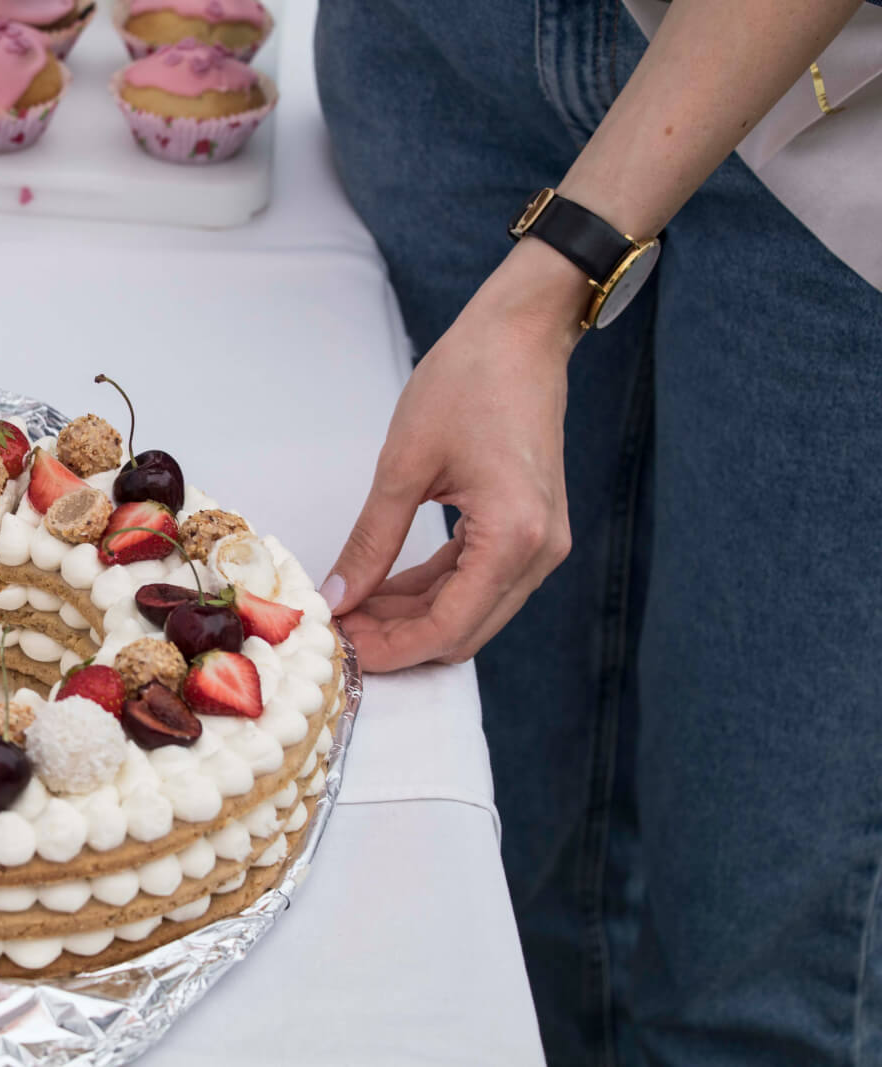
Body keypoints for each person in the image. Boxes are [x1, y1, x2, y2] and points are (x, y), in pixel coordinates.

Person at [312, 1, 882, 1063]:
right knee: (468, 880)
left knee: (744, 984)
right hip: (444, 51)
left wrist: (555, 273)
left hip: (838, 100)